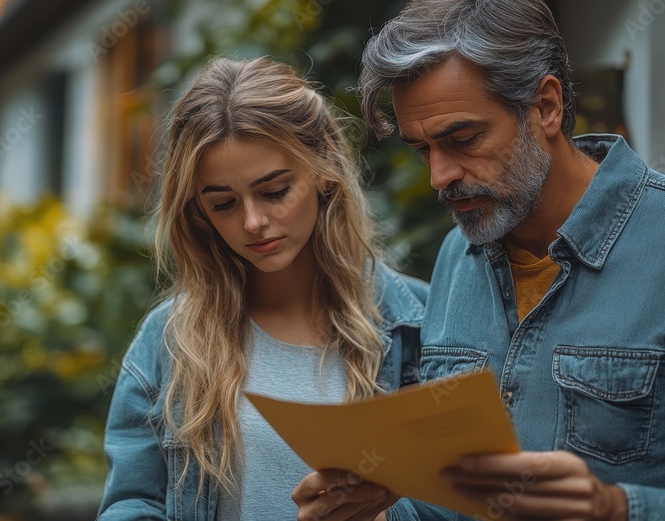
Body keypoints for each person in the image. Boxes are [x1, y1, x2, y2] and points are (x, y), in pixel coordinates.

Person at [293, 1, 665, 520]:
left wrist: (616, 508)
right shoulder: (455, 254)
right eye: (422, 149)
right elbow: (460, 500)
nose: (440, 176)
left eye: (462, 139)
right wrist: (379, 507)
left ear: (546, 107)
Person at [96, 56, 430, 521]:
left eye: (274, 191)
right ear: (198, 211)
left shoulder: (422, 322)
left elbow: (466, 498)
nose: (253, 222)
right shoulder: (167, 342)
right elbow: (133, 503)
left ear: (323, 167)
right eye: (224, 203)